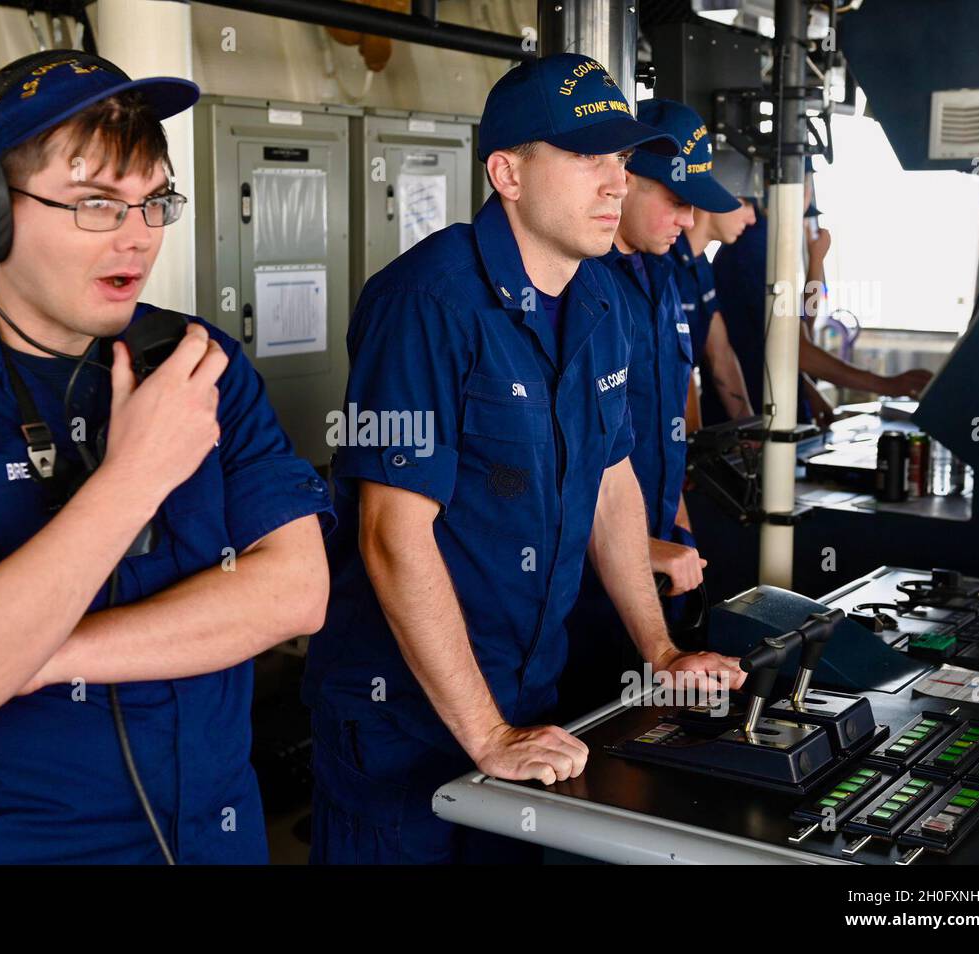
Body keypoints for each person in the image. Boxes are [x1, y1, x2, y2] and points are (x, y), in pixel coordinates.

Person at [0, 51, 333, 863]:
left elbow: (296, 593)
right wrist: (133, 479)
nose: (138, 236)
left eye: (153, 201)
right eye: (97, 203)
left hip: (215, 837)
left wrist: (27, 658)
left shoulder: (197, 366)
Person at [302, 55, 745, 865]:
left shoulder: (602, 296)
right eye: (587, 157)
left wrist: (661, 650)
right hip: (407, 716)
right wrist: (487, 732)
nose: (616, 182)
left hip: (530, 700)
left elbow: (613, 479)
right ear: (507, 172)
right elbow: (391, 535)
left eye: (620, 159)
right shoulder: (424, 304)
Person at [561, 100, 743, 714]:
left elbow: (660, 429)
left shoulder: (662, 275)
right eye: (675, 197)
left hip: (656, 557)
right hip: (585, 575)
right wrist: (638, 545)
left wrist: (677, 528)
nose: (688, 218)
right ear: (624, 176)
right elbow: (569, 458)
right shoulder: (582, 284)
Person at [706, 164, 932, 429]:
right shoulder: (755, 251)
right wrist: (886, 384)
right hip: (754, 419)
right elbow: (795, 346)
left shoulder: (772, 248)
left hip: (778, 410)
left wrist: (816, 262)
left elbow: (804, 323)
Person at [672, 148, 759, 429]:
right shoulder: (664, 264)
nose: (752, 218)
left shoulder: (701, 265)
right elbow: (674, 372)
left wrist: (748, 429)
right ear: (714, 195)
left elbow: (719, 353)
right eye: (745, 202)